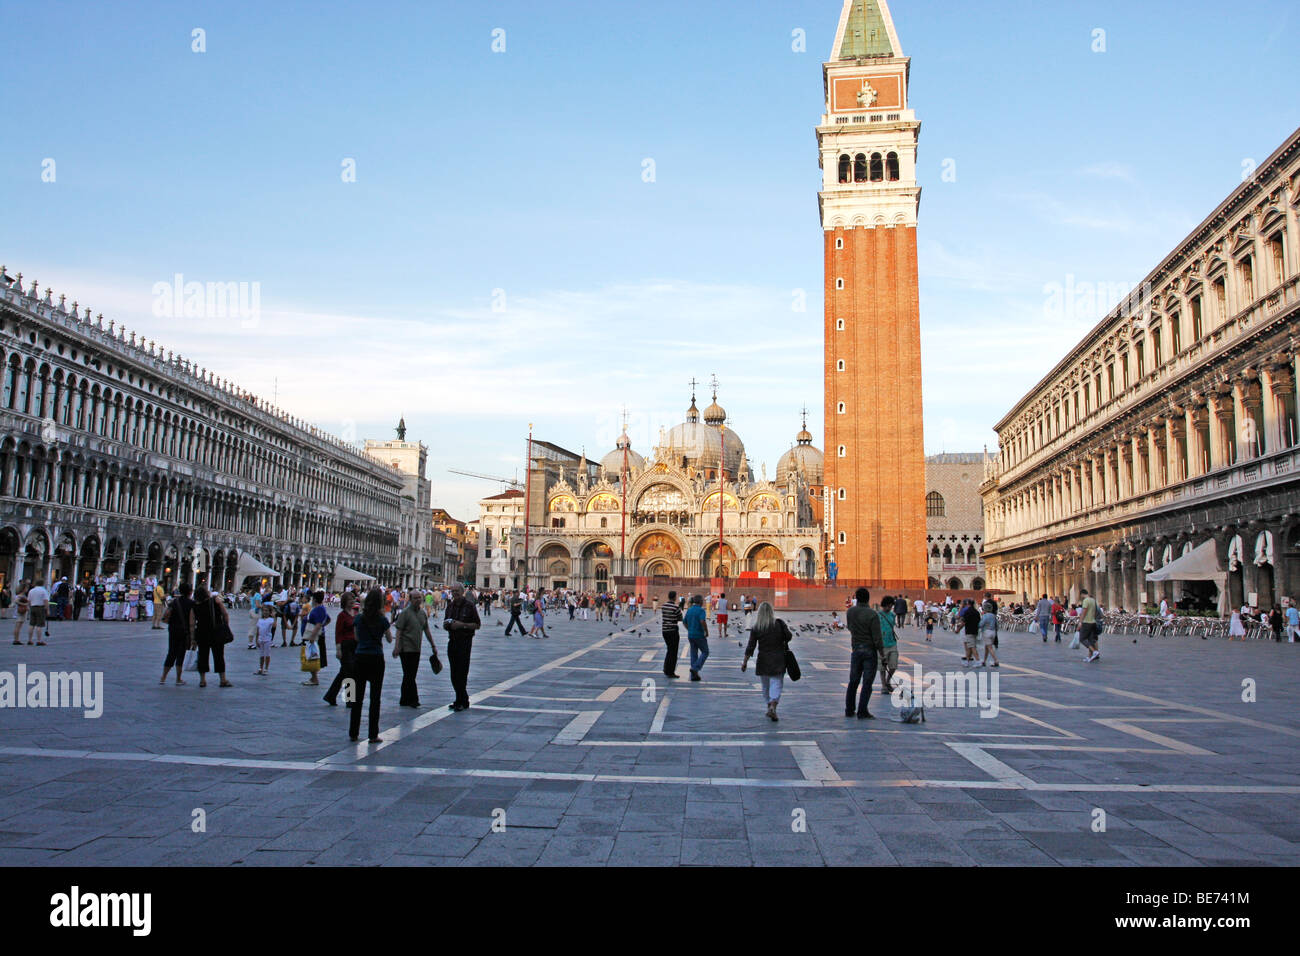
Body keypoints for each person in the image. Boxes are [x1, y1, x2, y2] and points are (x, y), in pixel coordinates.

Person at [349, 587, 392, 743]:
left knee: (356, 697)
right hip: (376, 658)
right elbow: (389, 639)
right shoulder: (382, 620)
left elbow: (356, 637)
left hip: (360, 658)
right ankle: (373, 734)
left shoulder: (359, 618)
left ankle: (353, 732)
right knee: (375, 698)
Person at [742, 601, 793, 722]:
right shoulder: (779, 624)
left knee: (765, 686)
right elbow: (789, 637)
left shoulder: (757, 627)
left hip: (763, 660)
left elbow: (751, 646)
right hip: (778, 659)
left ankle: (769, 706)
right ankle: (773, 705)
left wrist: (744, 662)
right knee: (776, 683)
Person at [443, 584, 482, 712]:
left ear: (462, 591)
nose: (455, 593)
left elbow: (477, 624)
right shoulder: (450, 606)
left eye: (457, 591)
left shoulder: (469, 606)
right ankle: (461, 699)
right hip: (452, 641)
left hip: (465, 642)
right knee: (454, 673)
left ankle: (461, 700)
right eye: (453, 591)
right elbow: (445, 622)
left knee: (462, 672)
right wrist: (448, 624)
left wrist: (462, 625)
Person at [393, 591, 435, 707]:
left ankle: (404, 699)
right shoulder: (405, 613)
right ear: (410, 599)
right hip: (405, 648)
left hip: (416, 648)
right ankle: (413, 699)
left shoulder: (422, 613)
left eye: (419, 598)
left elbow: (426, 630)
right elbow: (399, 630)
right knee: (409, 674)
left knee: (409, 674)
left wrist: (433, 645)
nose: (418, 600)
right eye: (415, 598)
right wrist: (397, 646)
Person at [845, 587, 883, 719]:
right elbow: (877, 637)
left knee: (853, 681)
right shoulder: (872, 614)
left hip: (856, 649)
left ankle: (849, 709)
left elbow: (850, 627)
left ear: (856, 598)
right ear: (868, 598)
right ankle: (862, 710)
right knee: (867, 682)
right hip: (869, 650)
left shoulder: (850, 612)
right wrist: (882, 653)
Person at [190, 585, 233, 688]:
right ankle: (222, 680)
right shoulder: (215, 601)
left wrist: (192, 638)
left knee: (202, 656)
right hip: (216, 632)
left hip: (201, 633)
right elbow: (225, 614)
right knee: (219, 656)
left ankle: (202, 680)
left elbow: (191, 624)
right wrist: (225, 625)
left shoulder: (194, 607)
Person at [324, 593, 357, 705]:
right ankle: (349, 699)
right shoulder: (342, 615)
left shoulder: (355, 613)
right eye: (349, 600)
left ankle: (331, 696)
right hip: (345, 645)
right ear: (344, 602)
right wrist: (338, 649)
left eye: (353, 599)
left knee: (344, 672)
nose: (352, 601)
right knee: (349, 672)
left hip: (354, 645)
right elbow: (338, 633)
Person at [159, 582, 195, 685]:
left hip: (173, 629)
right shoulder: (191, 603)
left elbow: (165, 615)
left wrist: (170, 623)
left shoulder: (174, 602)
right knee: (181, 654)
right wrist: (193, 636)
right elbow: (192, 621)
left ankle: (163, 677)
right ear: (190, 592)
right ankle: (178, 678)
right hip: (185, 631)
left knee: (171, 652)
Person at [302, 591, 331, 685]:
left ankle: (314, 678)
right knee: (312, 655)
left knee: (312, 656)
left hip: (313, 635)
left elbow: (318, 624)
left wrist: (313, 635)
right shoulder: (320, 608)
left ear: (314, 599)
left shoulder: (318, 609)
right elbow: (328, 619)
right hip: (316, 634)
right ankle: (313, 677)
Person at [684, 593, 709, 681]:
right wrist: (706, 631)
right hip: (699, 635)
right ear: (700, 602)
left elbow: (684, 622)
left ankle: (694, 676)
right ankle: (695, 668)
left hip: (691, 635)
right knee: (705, 652)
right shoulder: (701, 610)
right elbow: (702, 621)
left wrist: (689, 629)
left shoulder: (689, 610)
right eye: (702, 600)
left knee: (693, 654)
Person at [660, 589, 682, 678]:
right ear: (674, 597)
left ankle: (666, 668)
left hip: (664, 630)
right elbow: (680, 618)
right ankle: (670, 671)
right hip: (673, 630)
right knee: (673, 652)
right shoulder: (676, 607)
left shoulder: (664, 606)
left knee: (669, 650)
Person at [878, 596, 899, 692]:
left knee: (893, 666)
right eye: (888, 606)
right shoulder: (878, 615)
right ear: (884, 605)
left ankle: (887, 681)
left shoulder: (892, 615)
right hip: (882, 644)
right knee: (882, 667)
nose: (889, 608)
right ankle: (884, 686)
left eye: (891, 607)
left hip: (892, 643)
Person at [24, 578, 50, 645]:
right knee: (39, 625)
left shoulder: (31, 591)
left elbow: (28, 600)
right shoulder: (43, 591)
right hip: (40, 607)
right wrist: (47, 610)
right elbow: (46, 601)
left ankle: (29, 640)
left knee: (31, 624)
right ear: (43, 583)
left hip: (33, 607)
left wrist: (29, 607)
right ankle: (39, 640)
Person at [1079, 588, 1101, 662]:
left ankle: (1094, 651)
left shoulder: (1086, 600)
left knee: (1082, 639)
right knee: (1091, 639)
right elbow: (1095, 612)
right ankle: (1089, 656)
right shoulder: (1093, 600)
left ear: (1082, 594)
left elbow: (1084, 612)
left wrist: (1080, 622)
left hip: (1086, 622)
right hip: (1093, 622)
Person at [253, 605, 276, 676]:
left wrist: (274, 616)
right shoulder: (260, 620)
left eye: (266, 611)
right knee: (261, 655)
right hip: (260, 639)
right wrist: (256, 640)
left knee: (267, 654)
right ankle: (260, 668)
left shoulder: (271, 620)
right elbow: (258, 630)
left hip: (267, 639)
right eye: (264, 611)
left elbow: (274, 626)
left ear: (269, 612)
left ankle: (266, 668)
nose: (265, 612)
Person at [959, 599, 981, 666]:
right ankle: (967, 661)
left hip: (969, 631)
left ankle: (978, 661)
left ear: (968, 604)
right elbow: (979, 621)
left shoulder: (968, 612)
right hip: (975, 630)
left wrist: (958, 629)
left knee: (972, 647)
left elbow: (964, 622)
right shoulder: (976, 612)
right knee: (970, 646)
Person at [980, 601, 1000, 667]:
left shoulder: (985, 616)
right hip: (993, 632)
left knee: (990, 647)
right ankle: (984, 661)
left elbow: (981, 624)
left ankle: (996, 660)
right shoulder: (993, 616)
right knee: (987, 647)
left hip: (986, 632)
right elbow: (996, 625)